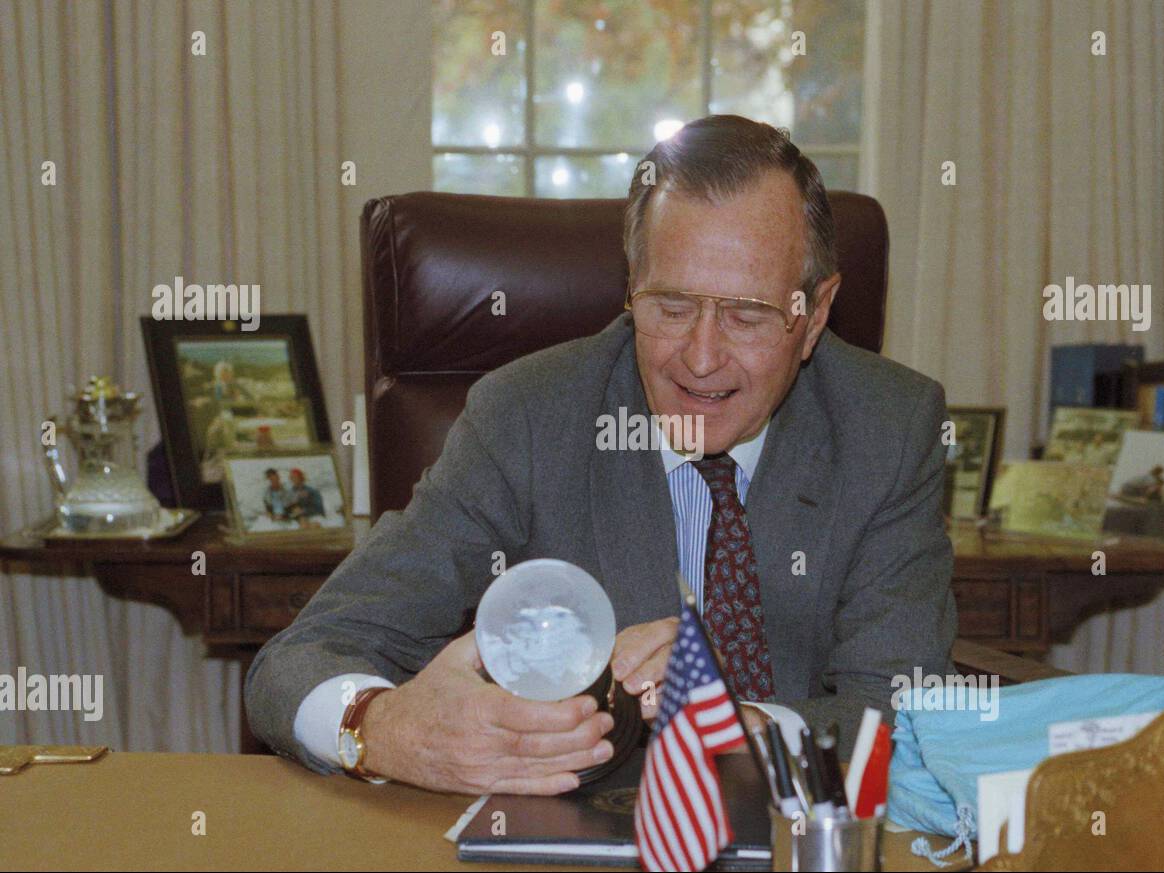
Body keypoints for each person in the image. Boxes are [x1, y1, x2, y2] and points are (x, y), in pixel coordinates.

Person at [245, 115, 956, 795]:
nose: (702, 358)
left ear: (816, 315)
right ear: (628, 292)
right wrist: (382, 729)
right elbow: (300, 659)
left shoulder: (887, 429)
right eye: (671, 307)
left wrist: (731, 726)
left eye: (746, 316)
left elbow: (905, 714)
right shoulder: (527, 418)